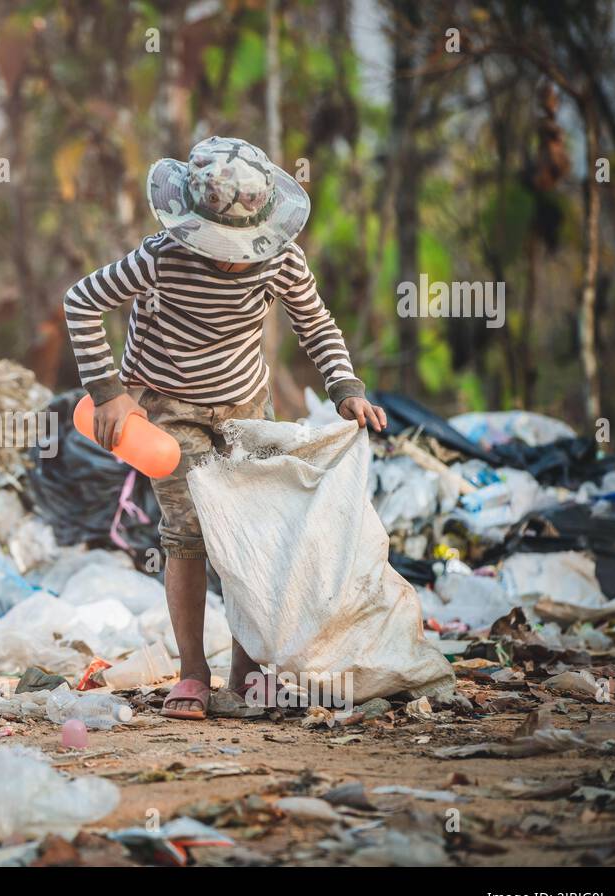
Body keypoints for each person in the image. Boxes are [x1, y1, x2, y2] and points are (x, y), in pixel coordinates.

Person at [63, 136, 387, 719]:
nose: (230, 258)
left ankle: (247, 672)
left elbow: (316, 324)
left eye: (240, 246)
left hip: (244, 408)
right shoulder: (162, 256)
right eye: (217, 244)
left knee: (249, 536)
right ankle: (192, 673)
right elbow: (82, 300)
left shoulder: (281, 259)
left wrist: (345, 388)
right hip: (167, 406)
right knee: (187, 533)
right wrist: (108, 393)